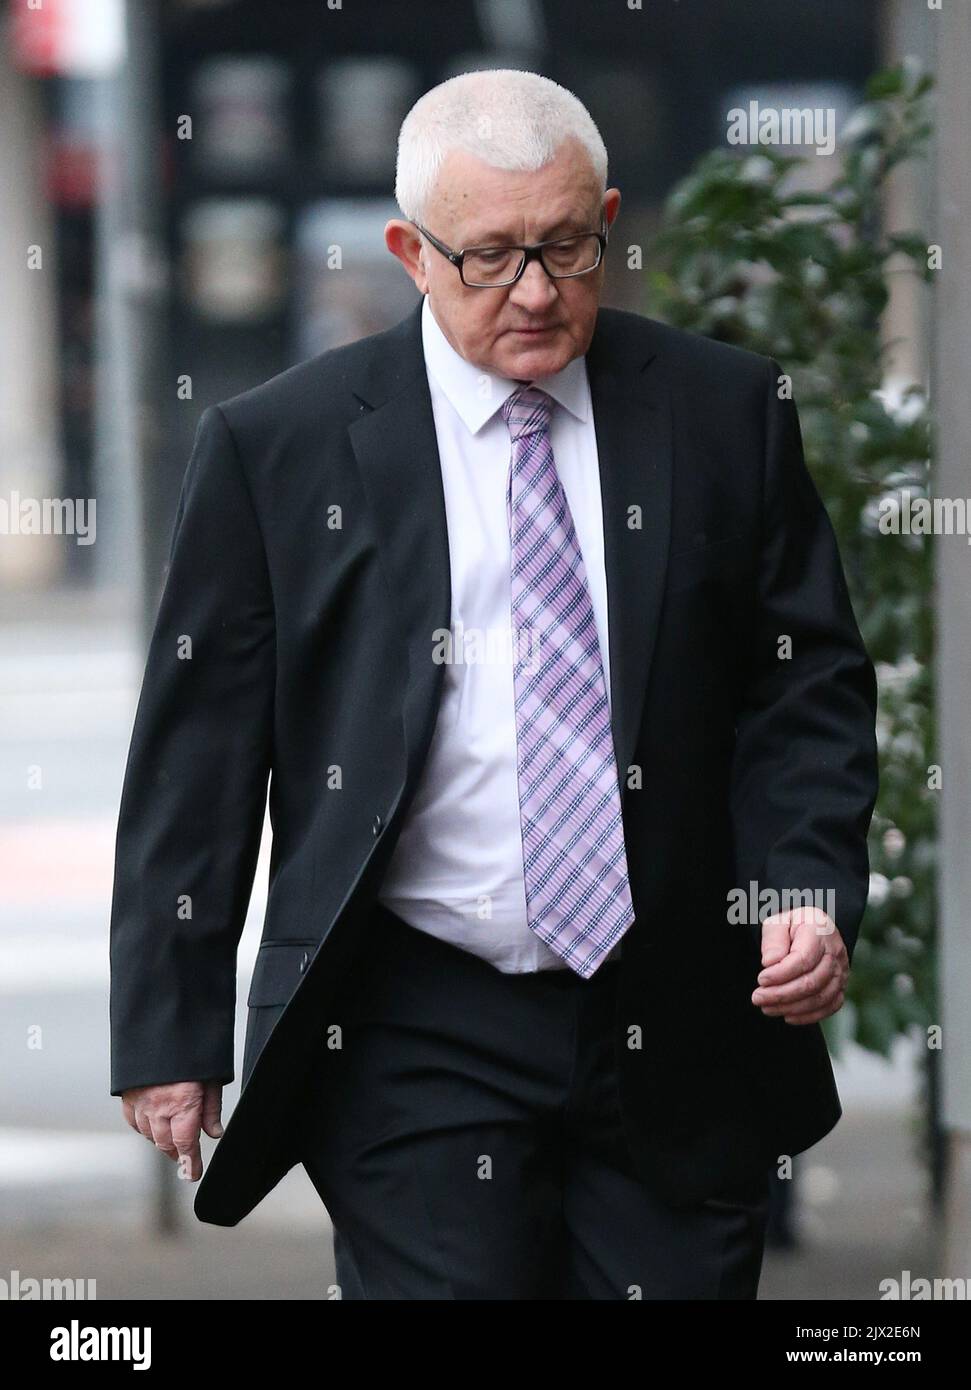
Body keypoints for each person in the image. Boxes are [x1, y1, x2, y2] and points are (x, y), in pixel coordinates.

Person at [109, 68, 879, 1300]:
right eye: (490, 256)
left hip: (672, 1001)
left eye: (568, 248)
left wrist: (801, 879)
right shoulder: (279, 447)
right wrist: (170, 1034)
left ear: (609, 218)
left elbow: (803, 685)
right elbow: (198, 754)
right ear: (409, 251)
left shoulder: (722, 412)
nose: (535, 290)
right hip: (414, 1019)